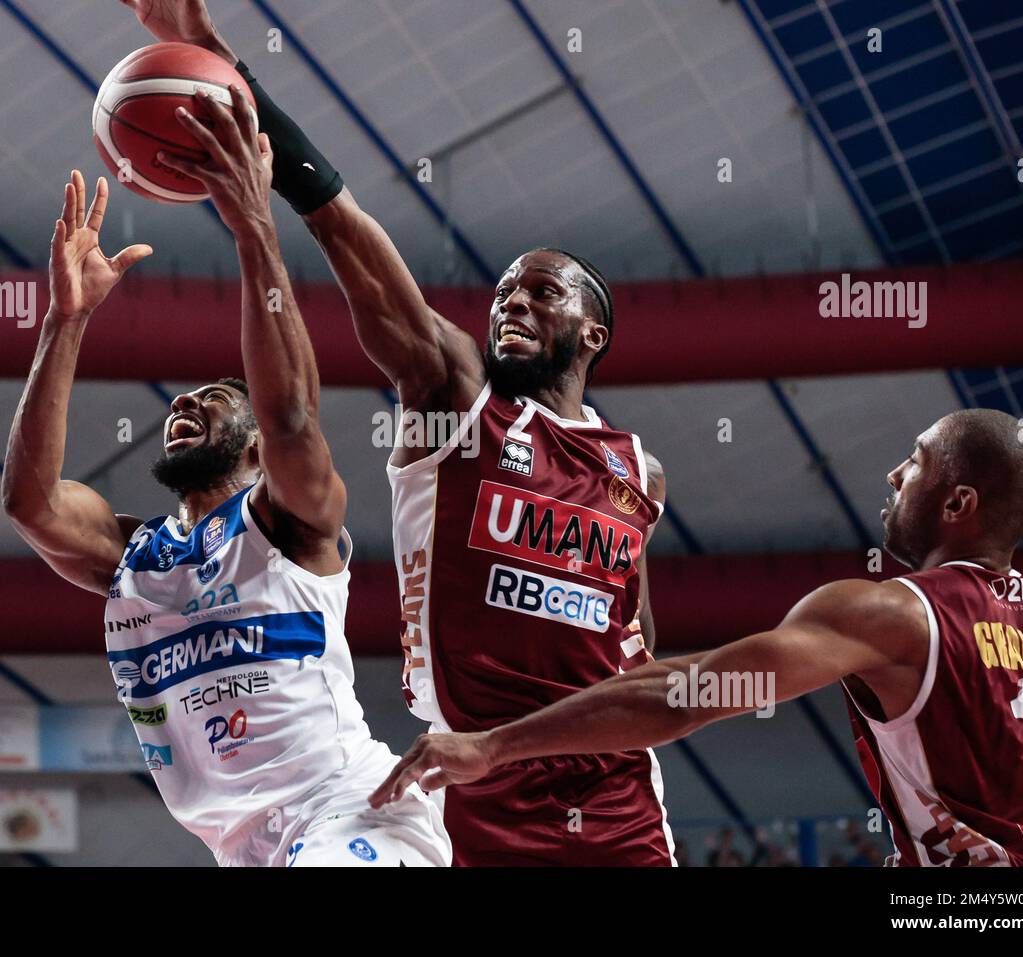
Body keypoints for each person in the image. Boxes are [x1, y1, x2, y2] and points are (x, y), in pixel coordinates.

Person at [125, 0, 675, 865]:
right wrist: (211, 55)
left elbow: (637, 652)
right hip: (470, 781)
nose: (513, 304)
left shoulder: (639, 469)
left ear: (593, 333)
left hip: (614, 802)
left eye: (542, 292)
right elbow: (337, 218)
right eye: (503, 294)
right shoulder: (452, 395)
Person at [1, 104, 449, 867]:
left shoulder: (292, 525)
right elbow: (30, 502)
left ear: (251, 446)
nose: (184, 401)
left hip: (352, 814)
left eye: (214, 398)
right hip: (246, 848)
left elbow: (294, 416)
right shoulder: (133, 559)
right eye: (183, 399)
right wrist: (64, 321)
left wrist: (254, 232)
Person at [371, 410, 1023, 867]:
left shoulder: (891, 614)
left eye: (917, 460)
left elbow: (689, 691)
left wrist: (494, 744)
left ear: (959, 504)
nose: (895, 473)